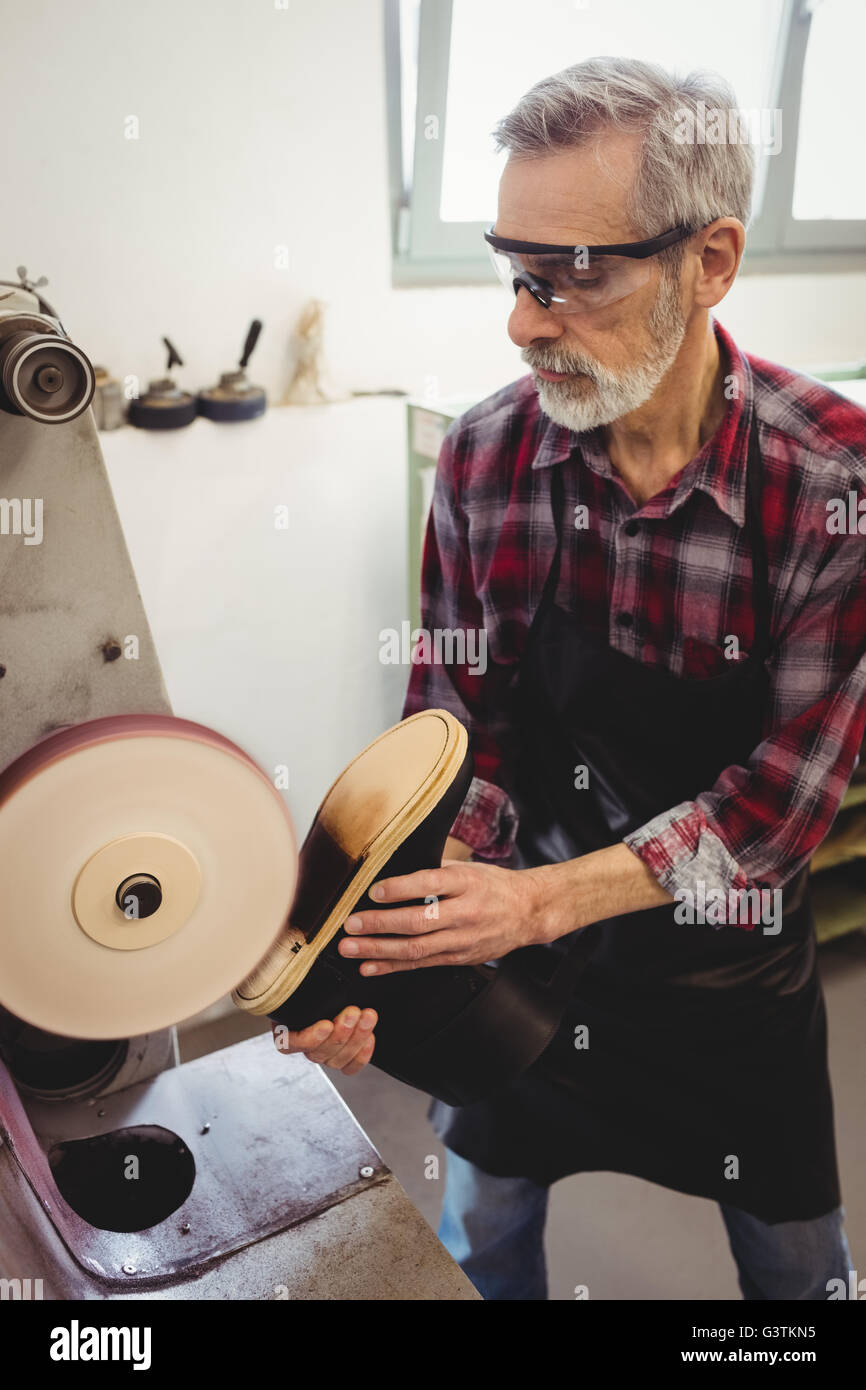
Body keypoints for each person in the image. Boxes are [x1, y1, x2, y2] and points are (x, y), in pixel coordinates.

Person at [285, 56, 866, 1300]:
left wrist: (540, 898)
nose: (521, 318)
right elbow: (454, 727)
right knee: (482, 1231)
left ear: (708, 261)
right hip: (520, 958)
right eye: (513, 269)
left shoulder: (828, 485)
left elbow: (775, 812)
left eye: (573, 275)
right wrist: (381, 945)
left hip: (722, 974)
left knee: (798, 1267)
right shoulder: (485, 457)